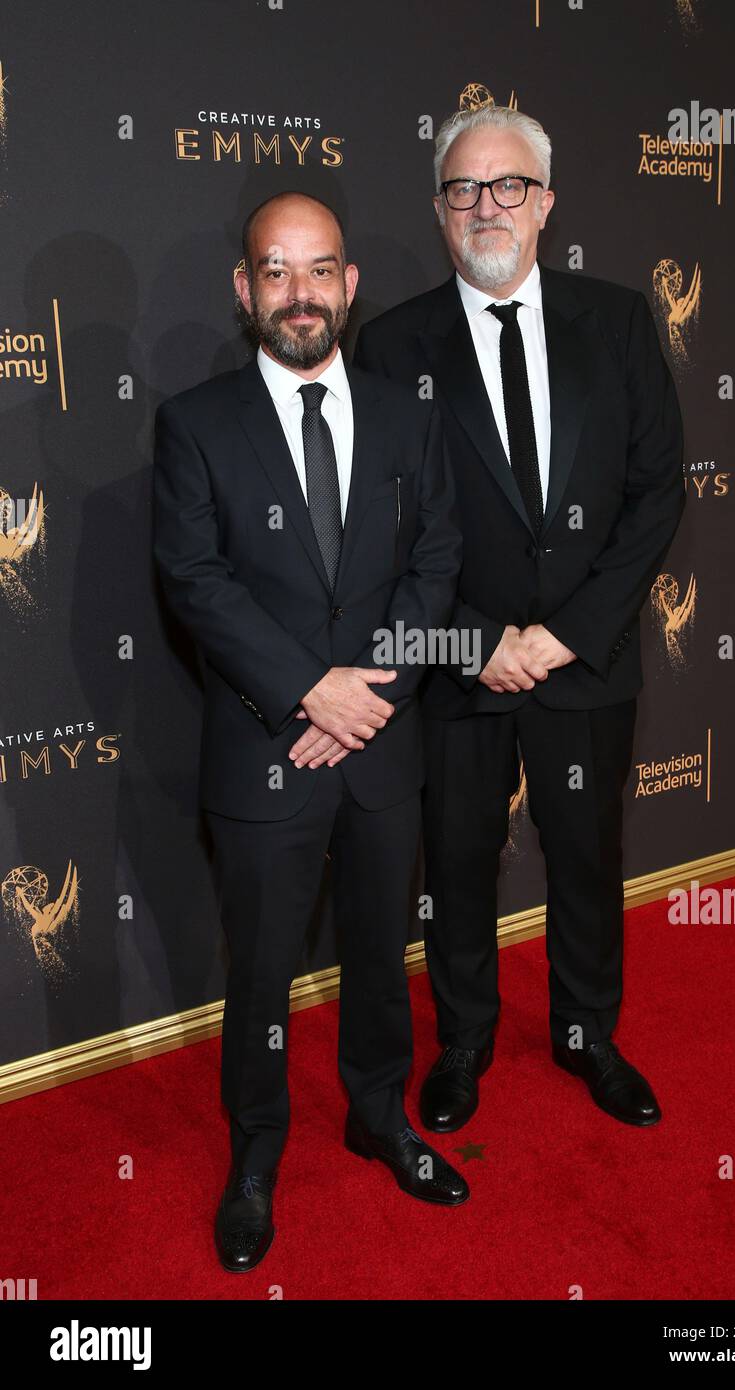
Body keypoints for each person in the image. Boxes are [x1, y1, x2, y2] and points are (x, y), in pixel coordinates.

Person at [354, 105, 686, 1136]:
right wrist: (475, 640)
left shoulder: (619, 319)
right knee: (455, 864)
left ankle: (588, 1035)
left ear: (545, 202)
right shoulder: (393, 339)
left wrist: (567, 633)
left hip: (581, 663)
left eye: (506, 187)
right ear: (439, 209)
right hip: (457, 666)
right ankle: (462, 1044)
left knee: (585, 855)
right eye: (462, 188)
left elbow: (655, 492)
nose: (483, 206)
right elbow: (381, 526)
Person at [152, 191, 467, 1274]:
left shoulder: (406, 416)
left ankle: (379, 1115)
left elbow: (435, 563)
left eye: (319, 269)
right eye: (275, 271)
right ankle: (254, 1156)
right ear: (245, 291)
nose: (301, 292)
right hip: (264, 752)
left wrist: (363, 695)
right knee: (263, 976)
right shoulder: (195, 425)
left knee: (382, 958)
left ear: (348, 283)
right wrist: (307, 693)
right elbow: (196, 583)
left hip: (380, 746)